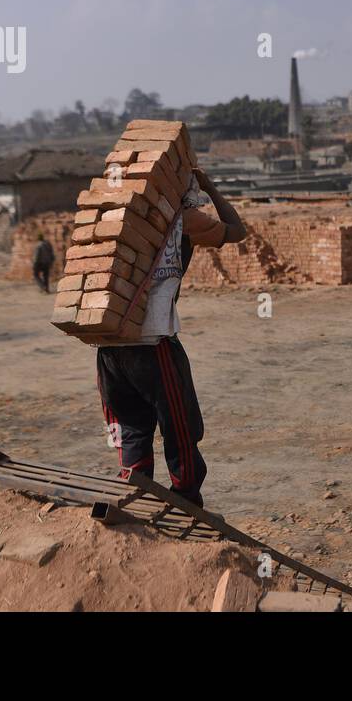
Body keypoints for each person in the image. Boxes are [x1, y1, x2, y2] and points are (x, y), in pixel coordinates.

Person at [94, 167, 246, 507]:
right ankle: (186, 499)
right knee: (180, 426)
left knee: (131, 426)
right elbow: (238, 231)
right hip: (153, 342)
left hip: (108, 344)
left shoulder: (114, 213)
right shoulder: (184, 219)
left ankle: (134, 494)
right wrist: (210, 186)